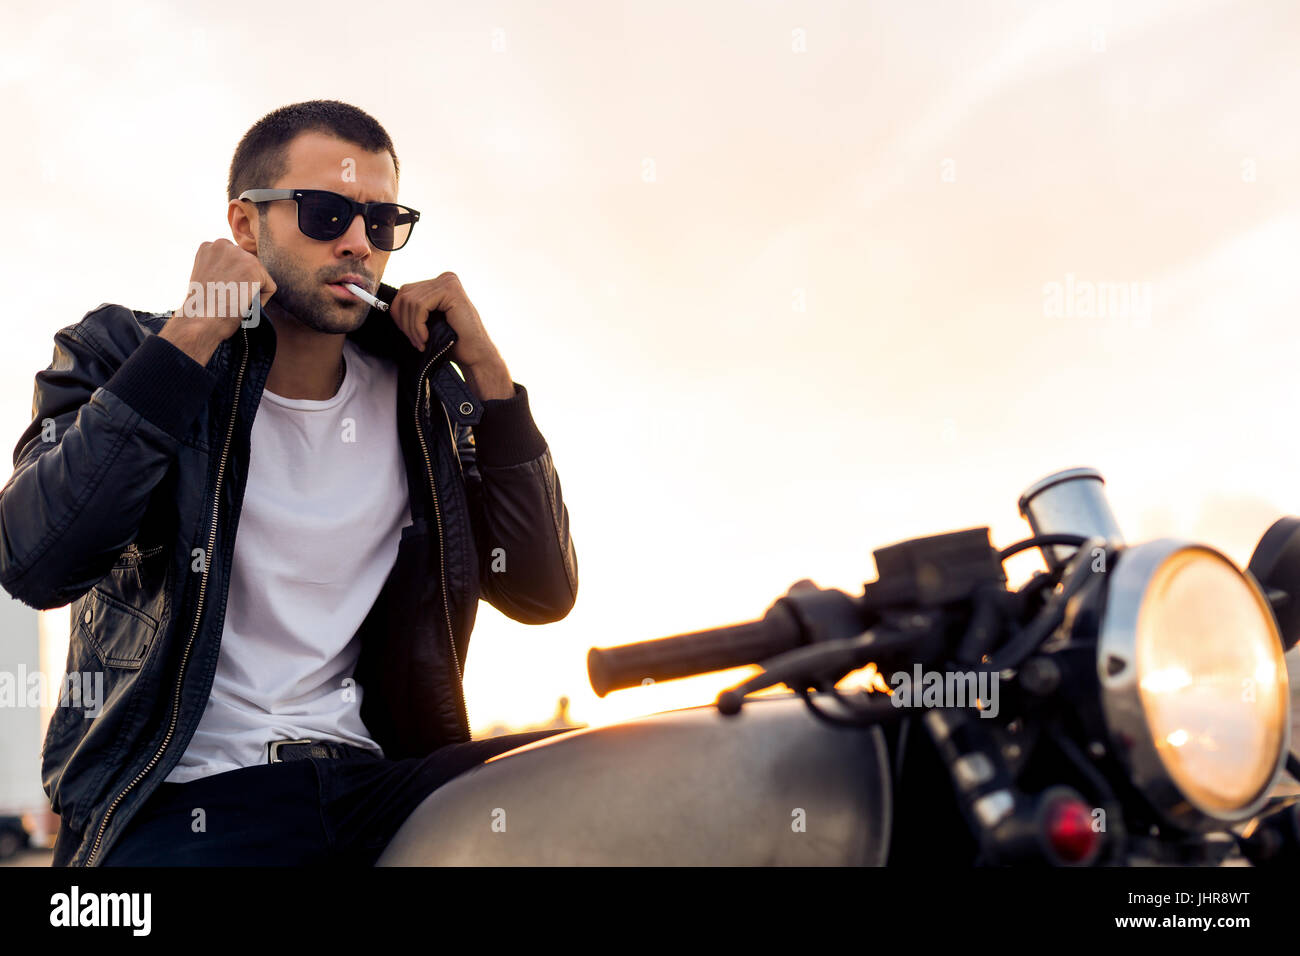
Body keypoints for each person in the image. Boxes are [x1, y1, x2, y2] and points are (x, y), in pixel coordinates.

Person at [0, 99, 579, 866]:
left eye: (381, 222)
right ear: (245, 226)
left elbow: (542, 592)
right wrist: (191, 335)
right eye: (326, 213)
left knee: (601, 775)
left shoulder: (422, 396)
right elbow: (37, 560)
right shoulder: (120, 352)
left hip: (376, 787)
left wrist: (491, 379)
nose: (358, 243)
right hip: (181, 802)